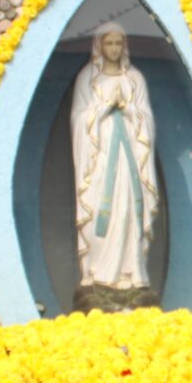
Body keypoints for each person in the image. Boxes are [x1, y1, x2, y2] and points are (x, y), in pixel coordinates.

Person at [68, 21, 158, 301]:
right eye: (109, 43)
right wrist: (106, 107)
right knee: (98, 208)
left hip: (130, 157)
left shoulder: (135, 79)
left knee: (129, 208)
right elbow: (77, 119)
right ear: (99, 46)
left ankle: (132, 272)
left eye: (119, 43)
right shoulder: (88, 78)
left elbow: (148, 120)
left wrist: (129, 107)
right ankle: (99, 272)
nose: (114, 49)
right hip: (100, 157)